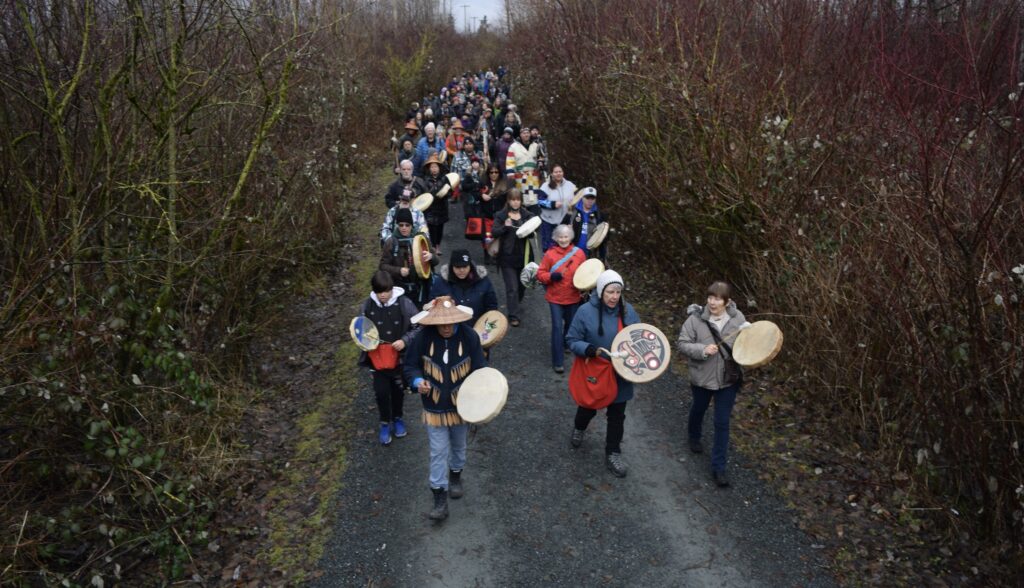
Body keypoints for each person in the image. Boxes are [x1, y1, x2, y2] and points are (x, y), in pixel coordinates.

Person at [403, 296, 488, 521]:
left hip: (462, 407)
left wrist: (481, 401)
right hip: (434, 407)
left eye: (450, 324)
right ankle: (439, 499)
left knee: (459, 446)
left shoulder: (470, 336)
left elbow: (480, 369)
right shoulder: (422, 337)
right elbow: (410, 366)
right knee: (438, 451)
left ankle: (456, 476)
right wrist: (416, 381)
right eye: (442, 324)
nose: (447, 328)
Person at [566, 270, 640, 478]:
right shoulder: (584, 312)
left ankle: (613, 452)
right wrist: (588, 349)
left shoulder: (628, 311)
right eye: (610, 292)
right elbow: (571, 339)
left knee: (617, 416)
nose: (614, 296)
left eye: (618, 292)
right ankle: (579, 427)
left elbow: (639, 337)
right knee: (588, 408)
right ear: (600, 291)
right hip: (596, 370)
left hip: (621, 374)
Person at [676, 281, 748, 488]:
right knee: (699, 408)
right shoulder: (695, 320)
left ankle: (719, 468)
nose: (712, 302)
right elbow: (682, 343)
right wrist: (701, 350)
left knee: (722, 422)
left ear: (727, 301)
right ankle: (694, 435)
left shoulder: (738, 320)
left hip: (728, 380)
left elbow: (747, 346)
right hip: (702, 377)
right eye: (710, 297)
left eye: (717, 299)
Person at [358, 271, 421, 446]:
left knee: (398, 391)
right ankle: (385, 422)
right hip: (377, 359)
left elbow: (419, 326)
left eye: (386, 291)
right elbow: (360, 330)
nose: (383, 295)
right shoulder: (367, 306)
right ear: (374, 291)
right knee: (381, 392)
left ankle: (398, 418)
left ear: (392, 289)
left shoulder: (405, 304)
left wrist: (404, 340)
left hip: (400, 359)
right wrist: (366, 343)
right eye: (380, 292)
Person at [536, 225, 586, 373]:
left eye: (566, 237)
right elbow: (540, 274)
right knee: (557, 328)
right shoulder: (550, 255)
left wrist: (584, 287)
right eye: (560, 237)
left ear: (570, 237)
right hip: (555, 298)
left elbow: (585, 273)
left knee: (570, 326)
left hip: (573, 296)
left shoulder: (579, 254)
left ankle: (565, 344)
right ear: (556, 238)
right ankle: (558, 362)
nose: (563, 240)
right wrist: (551, 276)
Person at [490, 189, 536, 327]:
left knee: (522, 286)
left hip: (524, 257)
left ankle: (515, 304)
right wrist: (505, 226)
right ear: (508, 200)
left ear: (521, 201)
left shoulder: (527, 215)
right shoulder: (501, 215)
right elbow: (494, 231)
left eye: (518, 199)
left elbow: (534, 232)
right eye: (513, 199)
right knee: (512, 288)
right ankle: (513, 315)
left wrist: (529, 230)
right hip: (507, 257)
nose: (515, 202)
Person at [380, 208, 438, 308]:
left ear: (412, 225)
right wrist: (398, 270)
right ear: (397, 225)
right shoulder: (391, 242)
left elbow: (436, 260)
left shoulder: (421, 238)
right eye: (401, 225)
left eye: (407, 225)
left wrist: (431, 256)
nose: (404, 228)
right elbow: (382, 266)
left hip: (421, 288)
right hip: (400, 290)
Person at [432, 248, 498, 321]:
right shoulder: (440, 282)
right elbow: (433, 306)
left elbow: (492, 307)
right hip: (451, 328)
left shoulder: (483, 281)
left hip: (478, 327)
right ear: (451, 267)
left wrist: (487, 328)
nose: (462, 270)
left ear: (470, 265)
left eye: (465, 266)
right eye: (458, 267)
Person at [537, 164, 576, 251]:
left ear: (563, 173)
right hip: (548, 222)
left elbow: (577, 200)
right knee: (549, 248)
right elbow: (539, 202)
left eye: (560, 171)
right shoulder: (545, 186)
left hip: (564, 221)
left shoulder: (570, 186)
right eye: (556, 172)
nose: (558, 174)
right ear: (551, 174)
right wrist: (552, 204)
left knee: (564, 246)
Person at [562, 186, 607, 261]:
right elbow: (560, 229)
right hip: (573, 252)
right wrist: (566, 229)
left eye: (592, 198)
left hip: (590, 255)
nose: (590, 201)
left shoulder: (599, 215)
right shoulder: (572, 212)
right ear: (582, 198)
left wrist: (602, 256)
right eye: (587, 198)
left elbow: (602, 238)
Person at [420, 154, 450, 254]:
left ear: (439, 167)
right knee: (432, 228)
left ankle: (438, 245)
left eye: (435, 166)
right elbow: (425, 193)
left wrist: (445, 193)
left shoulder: (444, 178)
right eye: (432, 167)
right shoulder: (425, 180)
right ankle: (432, 246)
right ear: (429, 168)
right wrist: (435, 193)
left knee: (440, 228)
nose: (434, 169)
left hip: (441, 207)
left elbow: (450, 191)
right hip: (430, 208)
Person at [505, 127, 541, 195]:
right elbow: (510, 161)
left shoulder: (536, 146)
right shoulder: (513, 147)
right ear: (520, 135)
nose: (526, 135)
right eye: (524, 133)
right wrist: (511, 174)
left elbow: (541, 159)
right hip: (520, 176)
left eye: (527, 133)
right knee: (522, 195)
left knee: (534, 195)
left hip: (534, 176)